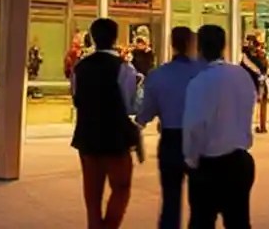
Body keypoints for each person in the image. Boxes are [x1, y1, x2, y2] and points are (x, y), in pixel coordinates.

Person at [71, 18, 143, 229]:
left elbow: (77, 99)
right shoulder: (125, 68)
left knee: (92, 194)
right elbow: (130, 106)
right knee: (121, 187)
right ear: (115, 38)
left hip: (87, 134)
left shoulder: (80, 67)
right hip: (115, 136)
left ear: (92, 37)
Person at [184, 24, 257, 229]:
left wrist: (190, 159)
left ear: (199, 48)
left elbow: (195, 126)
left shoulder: (199, 82)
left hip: (210, 165)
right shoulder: (241, 75)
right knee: (239, 221)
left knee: (201, 221)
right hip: (240, 160)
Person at [136, 27, 205, 229]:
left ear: (172, 44)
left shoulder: (158, 75)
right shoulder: (204, 73)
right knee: (201, 202)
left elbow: (145, 113)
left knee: (170, 200)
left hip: (171, 140)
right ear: (193, 45)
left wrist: (138, 126)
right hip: (199, 141)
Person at [241, 32, 269, 134]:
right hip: (251, 82)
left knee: (262, 103)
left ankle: (262, 126)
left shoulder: (260, 54)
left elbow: (264, 67)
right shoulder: (247, 57)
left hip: (260, 82)